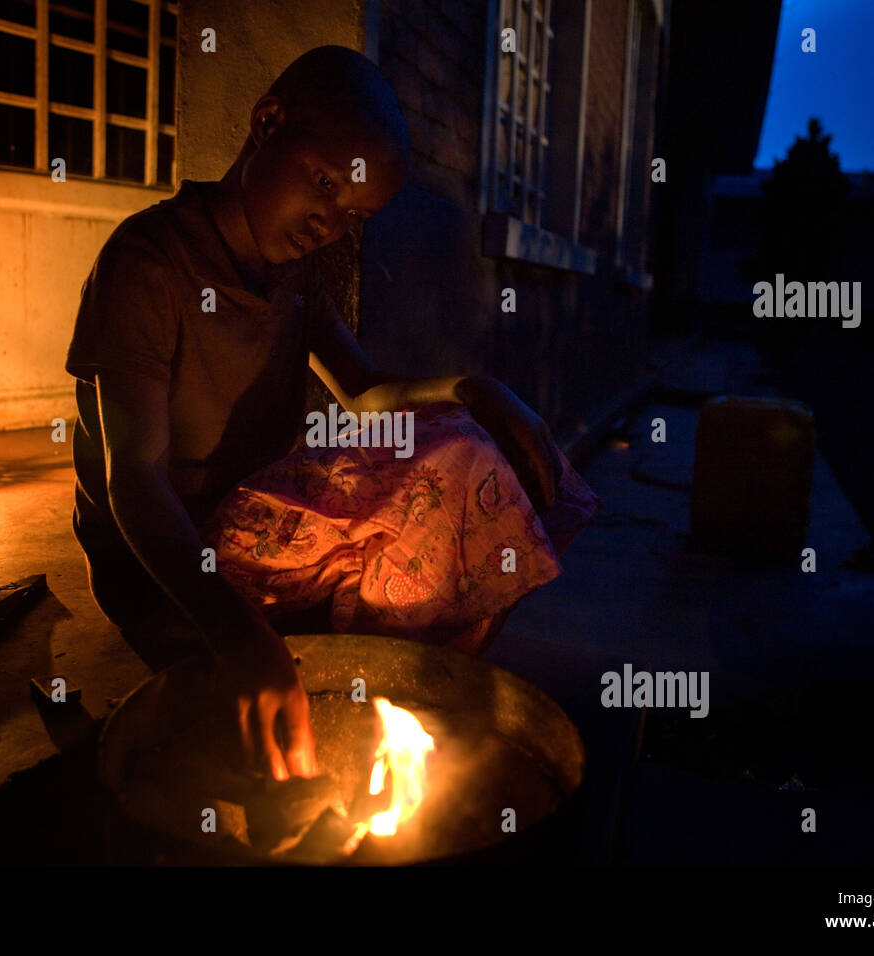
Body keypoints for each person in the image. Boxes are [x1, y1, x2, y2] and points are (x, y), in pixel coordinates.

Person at [66, 46, 581, 785]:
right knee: (429, 485)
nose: (328, 224)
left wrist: (475, 389)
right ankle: (299, 672)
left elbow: (364, 390)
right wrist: (238, 637)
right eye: (324, 184)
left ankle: (381, 699)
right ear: (267, 123)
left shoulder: (295, 274)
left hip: (263, 527)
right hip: (166, 564)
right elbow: (135, 482)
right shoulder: (148, 263)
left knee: (461, 451)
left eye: (353, 215)